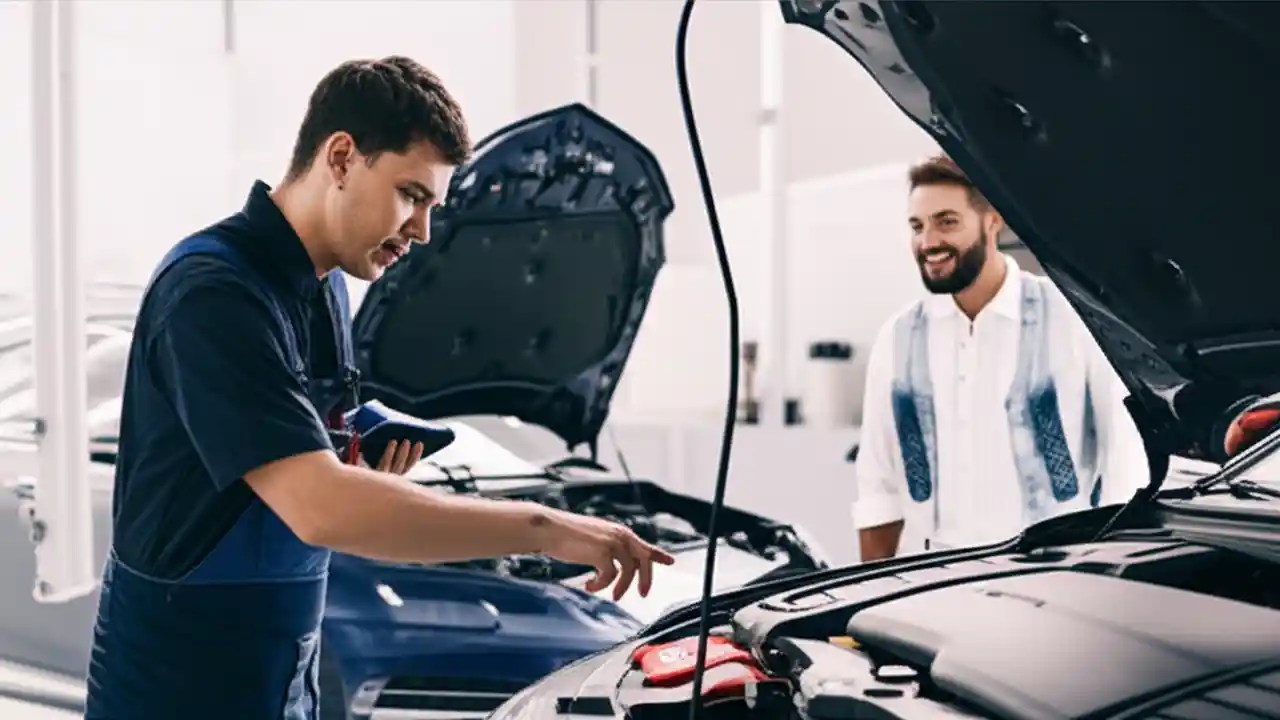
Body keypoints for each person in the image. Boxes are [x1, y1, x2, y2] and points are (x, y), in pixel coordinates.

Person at [83, 56, 674, 720]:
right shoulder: (213, 293)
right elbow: (321, 509)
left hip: (279, 673)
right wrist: (541, 528)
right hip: (178, 684)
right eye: (412, 195)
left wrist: (349, 449)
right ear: (341, 157)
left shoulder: (326, 282)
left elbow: (294, 440)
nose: (423, 231)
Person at [852, 154, 1150, 561]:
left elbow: (1125, 462)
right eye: (917, 226)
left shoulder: (1075, 316)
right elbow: (878, 487)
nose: (928, 242)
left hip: (1046, 582)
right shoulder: (896, 337)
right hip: (926, 586)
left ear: (993, 219)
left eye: (947, 221)